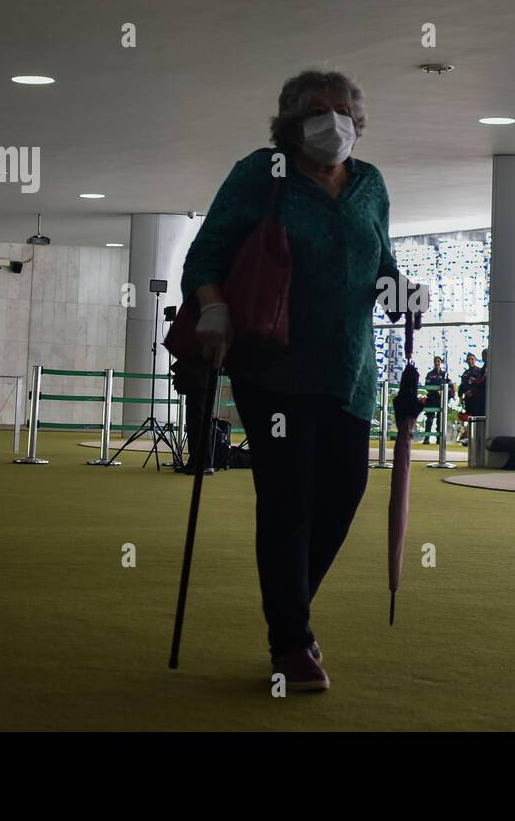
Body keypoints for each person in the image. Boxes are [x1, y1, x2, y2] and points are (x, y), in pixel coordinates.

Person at [181, 69, 425, 693]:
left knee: (341, 499)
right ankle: (291, 640)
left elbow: (382, 263)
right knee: (289, 503)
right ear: (291, 121)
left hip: (350, 375)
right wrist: (212, 308)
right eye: (319, 110)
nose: (334, 120)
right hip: (275, 368)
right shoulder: (262, 173)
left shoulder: (371, 185)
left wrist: (403, 290)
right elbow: (206, 255)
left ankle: (291, 606)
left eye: (343, 110)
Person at [421, 356, 454, 445]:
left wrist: (448, 395)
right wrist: (436, 391)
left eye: (438, 361)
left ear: (441, 363)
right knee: (429, 420)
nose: (437, 363)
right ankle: (426, 438)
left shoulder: (445, 374)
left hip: (441, 400)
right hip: (431, 399)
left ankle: (439, 439)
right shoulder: (429, 374)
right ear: (433, 362)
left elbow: (450, 385)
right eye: (435, 361)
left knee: (440, 420)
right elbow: (427, 386)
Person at [460, 352, 486, 418]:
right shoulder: (465, 373)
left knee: (477, 417)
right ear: (466, 361)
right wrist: (460, 396)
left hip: (477, 399)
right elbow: (462, 386)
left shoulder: (480, 371)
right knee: (469, 417)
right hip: (467, 400)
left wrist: (472, 392)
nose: (470, 361)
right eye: (469, 359)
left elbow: (481, 384)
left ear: (475, 360)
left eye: (472, 359)